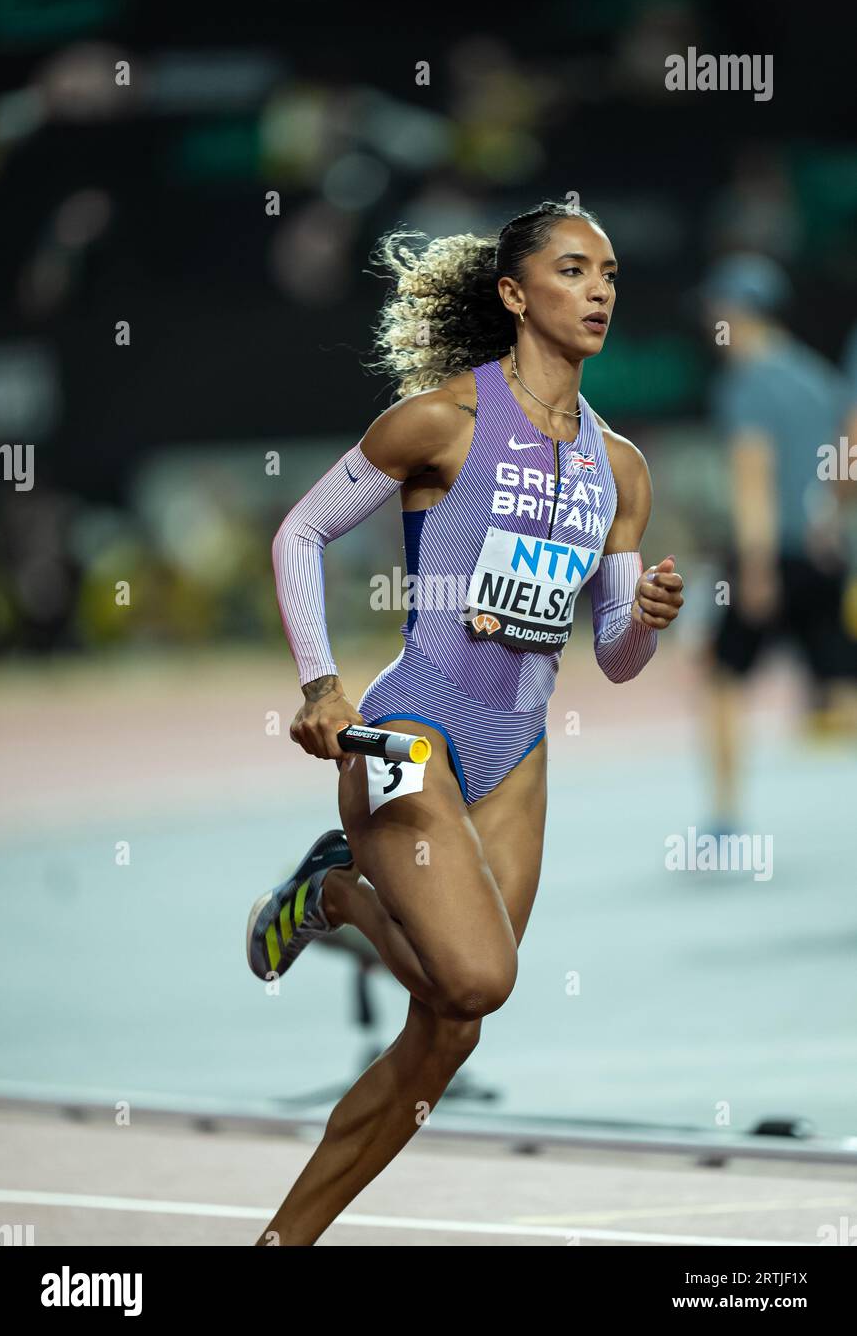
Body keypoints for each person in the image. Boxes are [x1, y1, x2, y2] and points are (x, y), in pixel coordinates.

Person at [248, 199, 684, 1246]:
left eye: (610, 275)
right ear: (511, 292)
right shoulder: (440, 422)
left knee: (451, 1024)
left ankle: (278, 1243)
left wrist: (646, 620)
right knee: (482, 973)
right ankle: (340, 889)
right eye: (573, 270)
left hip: (516, 749)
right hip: (411, 731)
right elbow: (300, 529)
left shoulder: (618, 467)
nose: (598, 292)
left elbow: (615, 657)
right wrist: (320, 687)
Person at [701, 253, 857, 834]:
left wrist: (756, 566)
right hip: (823, 551)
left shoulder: (745, 383)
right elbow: (849, 457)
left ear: (731, 312)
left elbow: (753, 480)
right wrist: (829, 519)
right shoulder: (819, 377)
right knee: (839, 690)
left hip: (772, 554)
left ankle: (724, 817)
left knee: (721, 680)